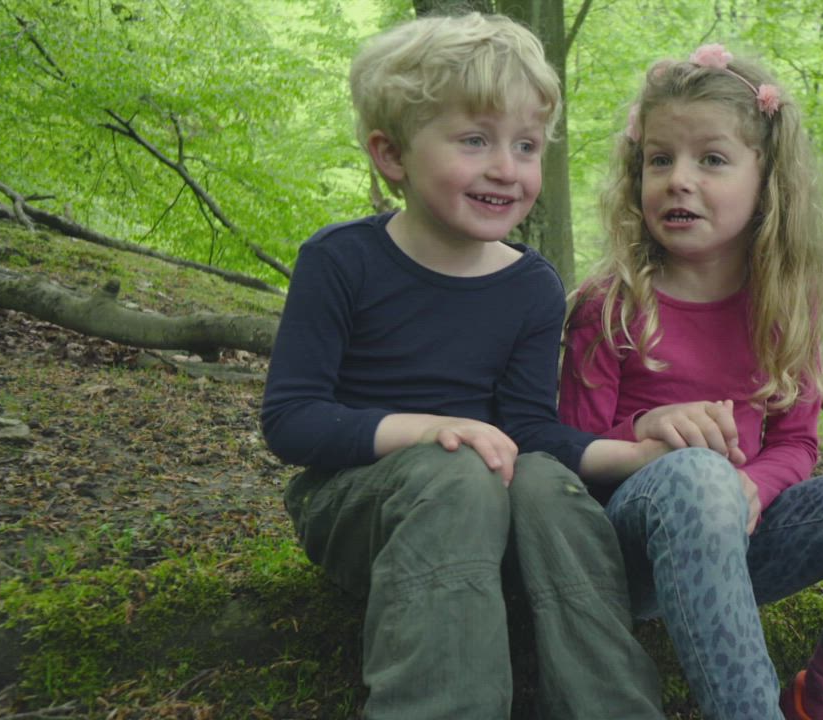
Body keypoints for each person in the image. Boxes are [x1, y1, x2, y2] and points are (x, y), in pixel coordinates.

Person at [260, 13, 668, 720]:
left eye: (527, 145)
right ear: (392, 156)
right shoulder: (340, 261)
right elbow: (292, 421)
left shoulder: (532, 287)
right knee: (456, 470)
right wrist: (425, 429)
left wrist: (634, 455)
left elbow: (531, 432)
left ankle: (610, 706)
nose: (506, 168)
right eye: (474, 140)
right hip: (362, 506)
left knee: (546, 481)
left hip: (492, 506)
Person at [559, 44, 823, 720]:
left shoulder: (782, 302)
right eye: (660, 159)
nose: (678, 179)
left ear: (766, 179)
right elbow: (564, 459)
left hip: (741, 540)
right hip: (620, 555)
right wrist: (646, 435)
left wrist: (751, 485)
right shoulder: (612, 303)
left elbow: (798, 445)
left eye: (711, 159)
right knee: (695, 474)